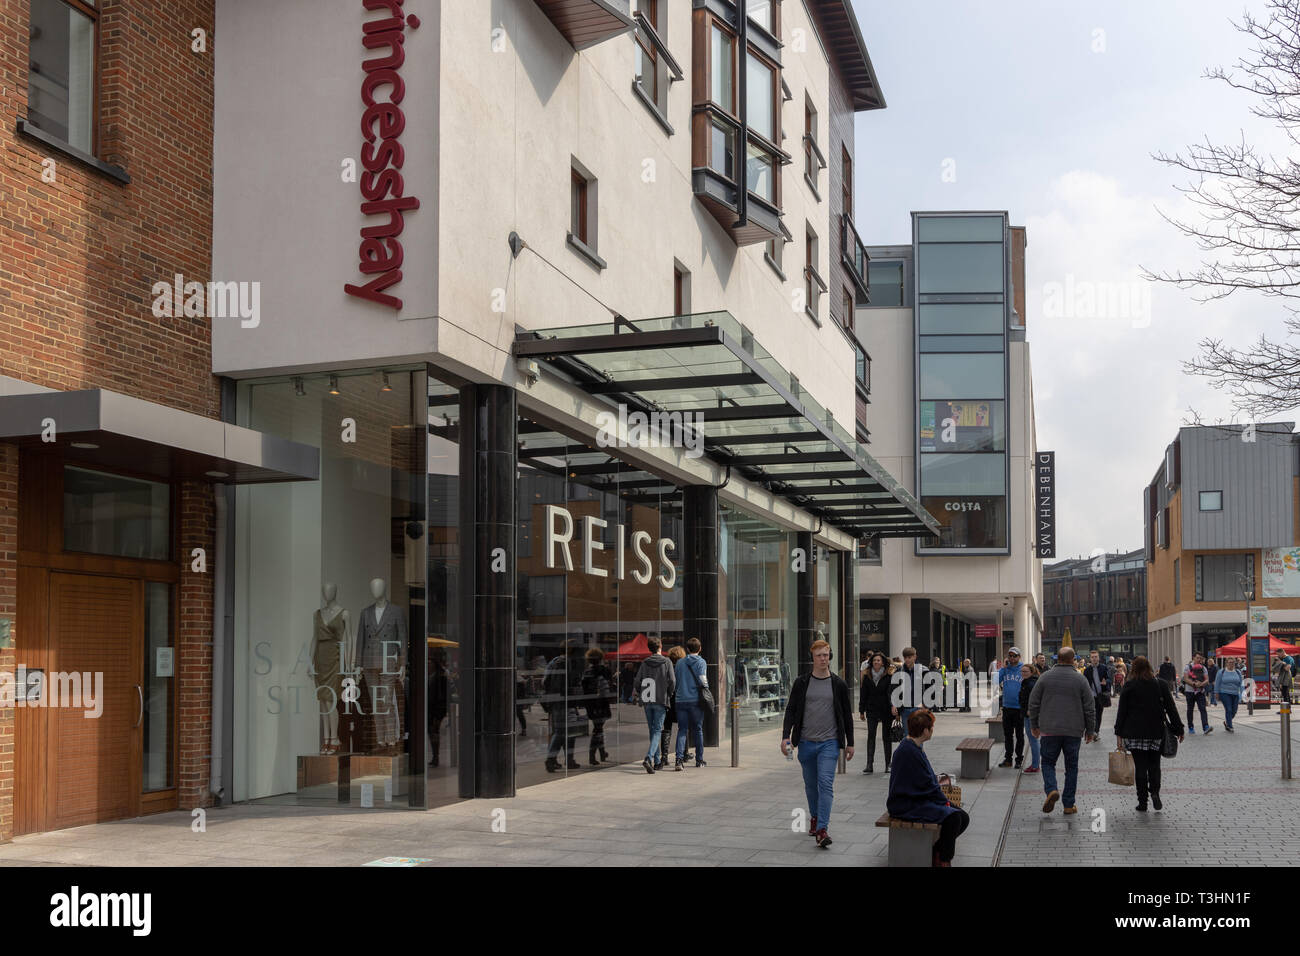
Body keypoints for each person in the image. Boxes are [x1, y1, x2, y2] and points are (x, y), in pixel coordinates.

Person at [781, 640, 854, 848]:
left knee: (825, 784)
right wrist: (786, 736)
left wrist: (850, 742)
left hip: (829, 743)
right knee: (811, 786)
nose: (823, 659)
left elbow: (846, 716)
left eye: (826, 655)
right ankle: (814, 817)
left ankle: (822, 829)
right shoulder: (802, 682)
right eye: (819, 655)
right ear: (812, 657)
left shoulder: (838, 684)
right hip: (805, 742)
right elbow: (791, 710)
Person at [886, 709, 969, 867]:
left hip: (916, 799)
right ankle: (943, 860)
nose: (932, 730)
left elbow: (926, 781)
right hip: (906, 804)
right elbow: (927, 784)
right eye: (931, 728)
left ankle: (937, 851)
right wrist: (944, 802)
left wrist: (944, 801)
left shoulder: (913, 746)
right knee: (954, 818)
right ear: (925, 731)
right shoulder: (909, 751)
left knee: (962, 817)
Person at [1027, 647, 1097, 815]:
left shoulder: (1044, 677)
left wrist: (1034, 725)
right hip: (1073, 730)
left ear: (1057, 659)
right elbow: (1089, 707)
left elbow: (1033, 703)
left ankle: (1051, 789)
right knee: (1071, 767)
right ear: (1073, 660)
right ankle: (1068, 804)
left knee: (1048, 763)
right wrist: (1090, 730)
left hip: (1049, 730)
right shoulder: (1080, 680)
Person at [1113, 655, 1184, 812]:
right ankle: (1155, 793)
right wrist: (1179, 729)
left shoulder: (1129, 685)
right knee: (1155, 765)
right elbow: (1171, 708)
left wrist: (1119, 733)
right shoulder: (1160, 684)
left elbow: (1122, 711)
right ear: (1150, 668)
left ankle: (1142, 802)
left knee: (1140, 767)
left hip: (1134, 732)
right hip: (1156, 731)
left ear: (1134, 669)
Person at [634, 637, 675, 773]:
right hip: (660, 699)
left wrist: (642, 692)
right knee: (657, 730)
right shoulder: (667, 661)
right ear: (660, 646)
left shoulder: (645, 663)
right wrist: (669, 693)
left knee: (652, 730)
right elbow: (672, 681)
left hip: (647, 699)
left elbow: (637, 681)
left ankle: (657, 761)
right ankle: (649, 757)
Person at [543, 644, 583, 772]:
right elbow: (562, 685)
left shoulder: (554, 662)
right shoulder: (564, 663)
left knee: (567, 731)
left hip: (557, 702)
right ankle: (551, 759)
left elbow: (545, 682)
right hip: (563, 702)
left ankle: (565, 759)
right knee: (562, 732)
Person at [673, 637, 709, 770]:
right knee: (698, 730)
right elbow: (703, 681)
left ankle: (678, 760)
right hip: (695, 701)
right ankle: (699, 760)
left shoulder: (680, 663)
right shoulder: (701, 662)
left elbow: (675, 681)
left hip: (680, 700)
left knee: (682, 730)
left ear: (687, 649)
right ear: (700, 649)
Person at [858, 652, 894, 773]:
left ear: (883, 662)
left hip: (886, 710)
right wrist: (861, 710)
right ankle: (869, 764)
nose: (876, 662)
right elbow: (863, 694)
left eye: (878, 660)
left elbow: (891, 693)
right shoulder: (867, 676)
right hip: (872, 709)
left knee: (886, 737)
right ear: (871, 663)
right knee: (871, 736)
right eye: (874, 661)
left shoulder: (889, 675)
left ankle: (888, 764)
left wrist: (894, 707)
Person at [581, 647, 615, 766]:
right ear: (600, 658)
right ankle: (592, 755)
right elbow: (610, 685)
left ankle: (602, 753)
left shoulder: (586, 672)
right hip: (601, 703)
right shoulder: (604, 670)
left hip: (591, 704)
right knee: (598, 729)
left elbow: (583, 690)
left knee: (598, 728)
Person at [997, 648, 1026, 768]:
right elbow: (995, 681)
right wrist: (1003, 668)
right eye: (1010, 656)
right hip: (1007, 707)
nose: (1012, 658)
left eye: (1014, 656)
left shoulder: (1023, 668)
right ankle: (1008, 759)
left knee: (1019, 735)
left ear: (1019, 656)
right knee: (1008, 735)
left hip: (1019, 708)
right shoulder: (1005, 669)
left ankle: (1019, 759)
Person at [891, 647, 927, 729]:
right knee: (908, 735)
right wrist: (894, 705)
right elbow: (894, 690)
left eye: (909, 657)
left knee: (918, 734)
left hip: (918, 707)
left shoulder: (922, 670)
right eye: (905, 658)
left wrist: (925, 704)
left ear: (915, 657)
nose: (907, 660)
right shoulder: (899, 671)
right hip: (905, 709)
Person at [1083, 650, 1113, 738]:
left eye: (1096, 657)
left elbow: (1109, 679)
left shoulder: (1103, 668)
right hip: (1091, 696)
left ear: (1098, 658)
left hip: (1101, 695)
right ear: (1090, 659)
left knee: (1099, 714)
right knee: (1092, 714)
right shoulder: (1087, 670)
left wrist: (1106, 682)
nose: (1094, 659)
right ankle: (1093, 731)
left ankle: (1096, 731)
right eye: (1092, 657)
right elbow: (1085, 683)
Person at [1018, 663, 1040, 773]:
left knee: (1033, 740)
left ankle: (1035, 765)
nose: (1023, 673)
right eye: (1022, 671)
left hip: (1030, 715)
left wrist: (1030, 710)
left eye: (1026, 671)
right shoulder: (1027, 682)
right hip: (1027, 714)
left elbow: (1035, 699)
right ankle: (1035, 764)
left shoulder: (1031, 683)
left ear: (1032, 672)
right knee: (1033, 740)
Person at [1182, 653, 1213, 734]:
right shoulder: (1188, 667)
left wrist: (1201, 684)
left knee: (1203, 709)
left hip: (1200, 692)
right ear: (1193, 658)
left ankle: (1206, 726)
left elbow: (1207, 680)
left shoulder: (1203, 668)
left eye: (1200, 658)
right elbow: (1185, 678)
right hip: (1190, 691)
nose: (1199, 660)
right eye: (1197, 658)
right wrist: (1194, 684)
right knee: (1190, 709)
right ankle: (1191, 727)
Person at [1214, 657, 1243, 732]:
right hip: (1224, 693)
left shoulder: (1237, 672)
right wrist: (1216, 693)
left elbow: (1241, 683)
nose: (1231, 664)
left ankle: (1227, 722)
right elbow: (1217, 683)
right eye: (1229, 662)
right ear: (1226, 663)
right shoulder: (1222, 672)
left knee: (1234, 711)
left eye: (1233, 662)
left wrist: (1242, 693)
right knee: (1229, 709)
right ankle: (1230, 726)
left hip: (1235, 693)